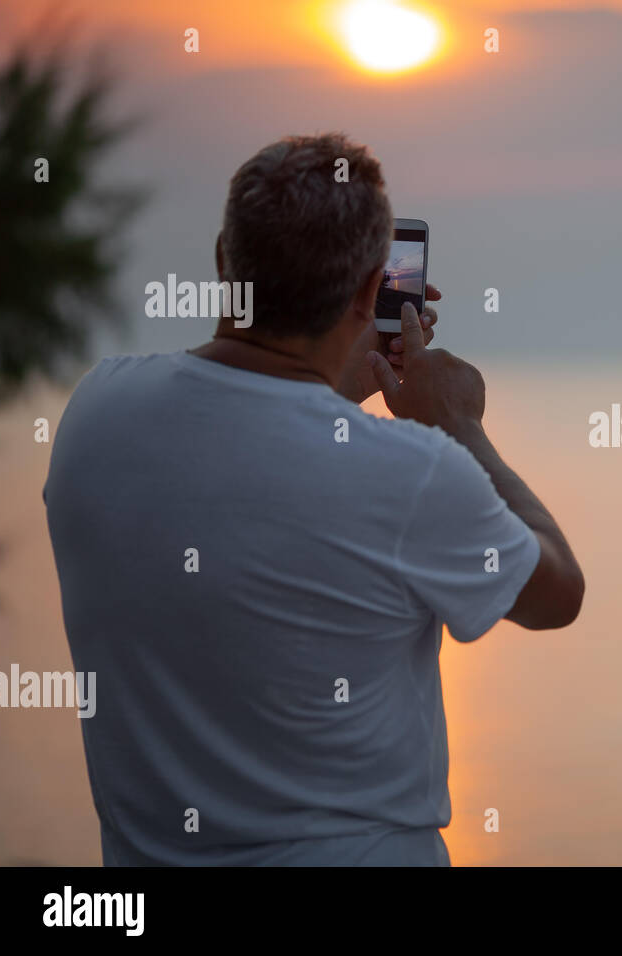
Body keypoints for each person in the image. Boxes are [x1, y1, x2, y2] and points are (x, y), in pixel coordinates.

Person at [43, 133, 584, 865]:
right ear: (370, 293)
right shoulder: (413, 472)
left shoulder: (95, 412)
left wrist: (329, 390)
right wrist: (458, 425)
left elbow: (245, 439)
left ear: (222, 261)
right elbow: (556, 594)